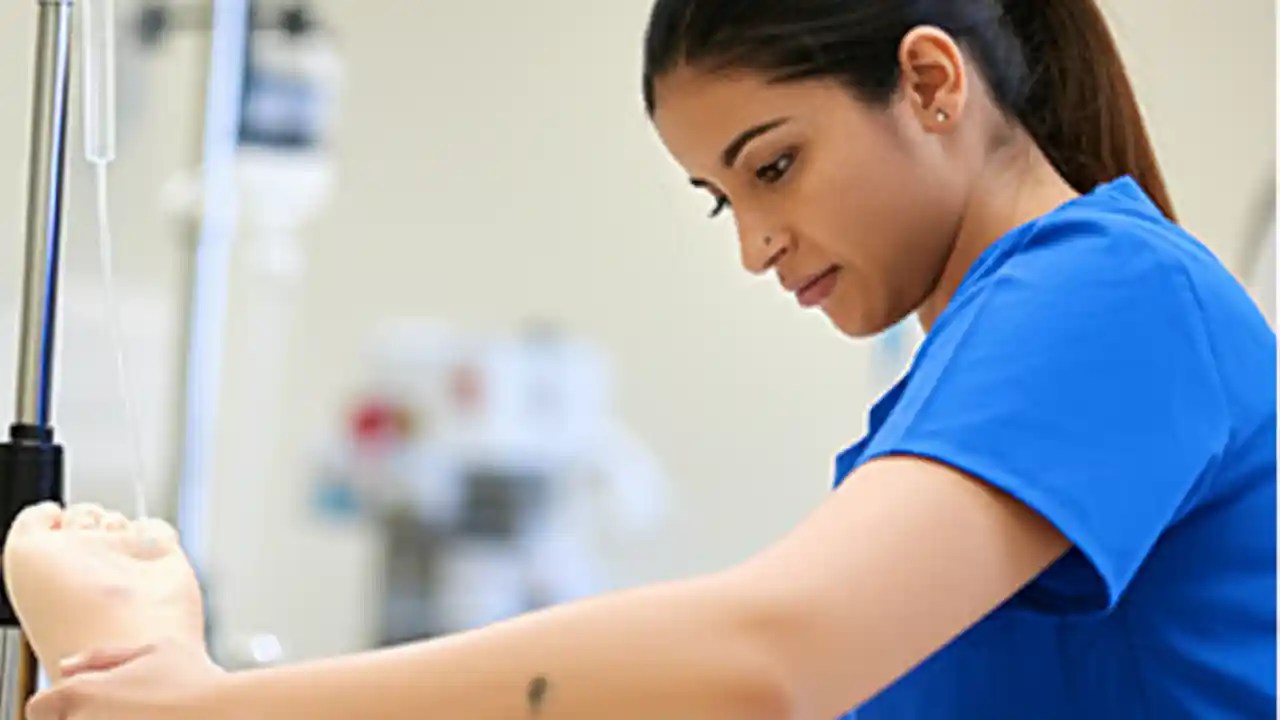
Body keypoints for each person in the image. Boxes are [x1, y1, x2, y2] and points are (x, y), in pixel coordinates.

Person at [5, 0, 1276, 717]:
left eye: (772, 165)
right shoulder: (1001, 343)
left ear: (931, 82)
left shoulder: (1111, 295)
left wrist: (204, 708)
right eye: (723, 200)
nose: (757, 246)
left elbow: (767, 658)